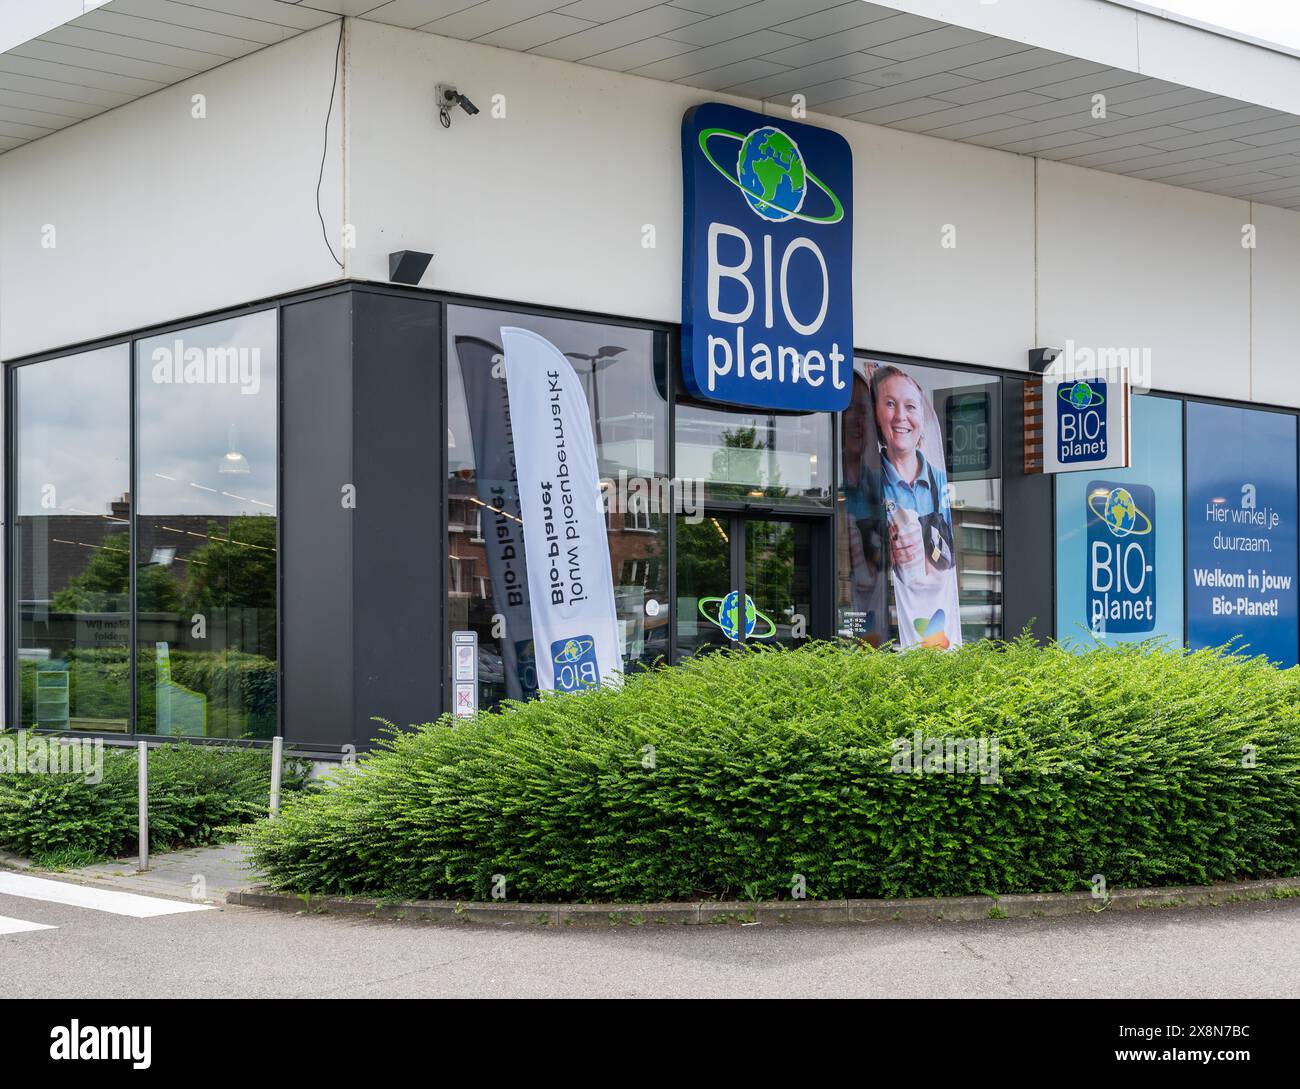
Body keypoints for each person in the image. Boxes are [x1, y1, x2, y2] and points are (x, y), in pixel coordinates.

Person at [867, 364, 962, 649]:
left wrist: (924, 558)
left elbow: (946, 564)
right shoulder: (869, 482)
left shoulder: (940, 481)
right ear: (875, 414)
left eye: (910, 406)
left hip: (936, 629)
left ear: (922, 417)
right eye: (889, 404)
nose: (900, 417)